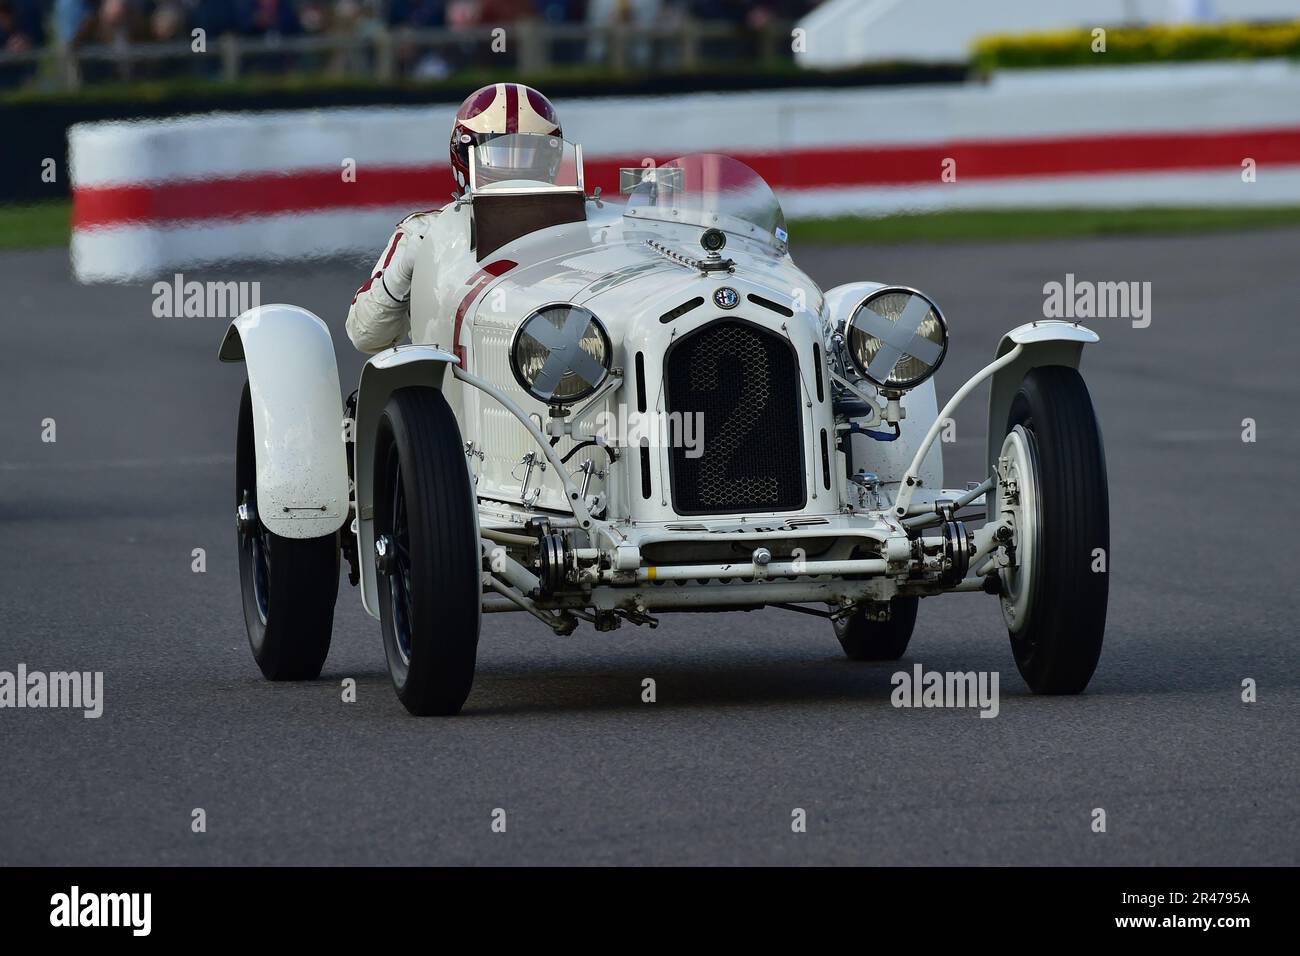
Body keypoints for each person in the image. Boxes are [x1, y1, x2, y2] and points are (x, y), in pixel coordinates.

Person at [345, 82, 562, 354]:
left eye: (525, 155)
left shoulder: (582, 227)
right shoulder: (424, 232)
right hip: (450, 383)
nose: (511, 169)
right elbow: (365, 337)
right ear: (463, 155)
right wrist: (402, 271)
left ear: (551, 157)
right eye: (497, 154)